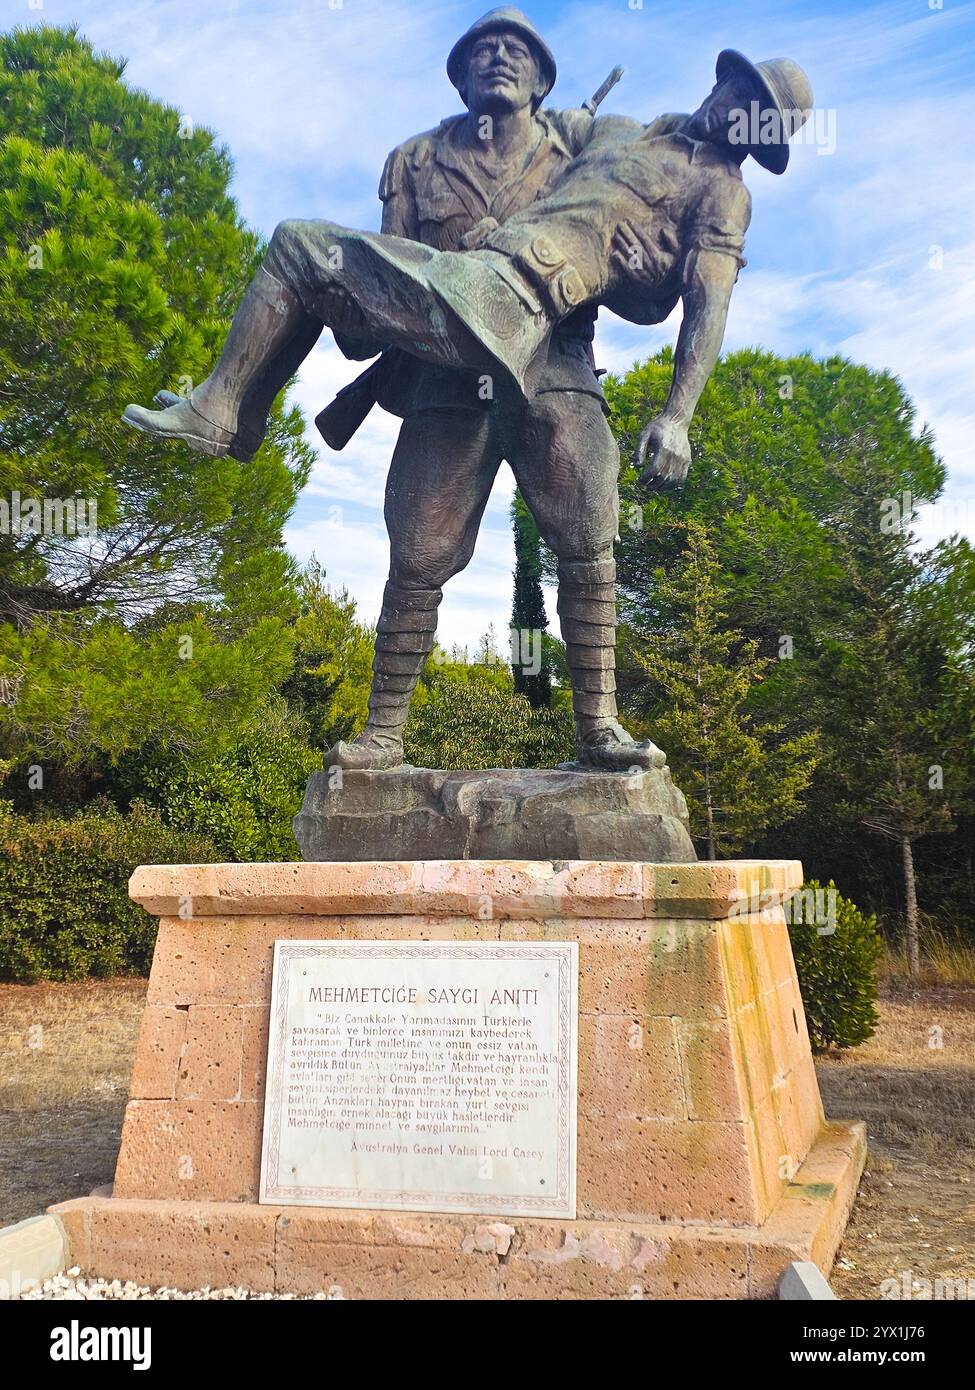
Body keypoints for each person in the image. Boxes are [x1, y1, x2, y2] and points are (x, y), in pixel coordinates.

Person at [123, 47, 812, 770]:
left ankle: (599, 728)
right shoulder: (614, 132)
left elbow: (708, 304)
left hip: (532, 332)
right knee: (418, 554)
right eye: (741, 90)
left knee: (588, 544)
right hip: (476, 310)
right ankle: (383, 733)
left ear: (761, 138)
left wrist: (677, 414)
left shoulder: (723, 192)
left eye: (758, 112)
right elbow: (545, 133)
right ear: (720, 81)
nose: (738, 108)